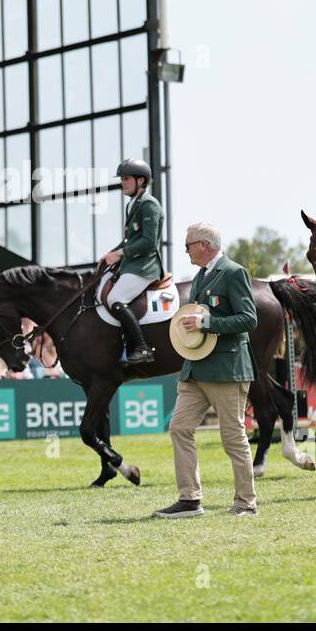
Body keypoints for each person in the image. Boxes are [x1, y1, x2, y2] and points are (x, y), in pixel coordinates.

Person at [155, 222, 259, 518]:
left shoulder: (234, 272)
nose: (185, 250)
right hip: (196, 368)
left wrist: (207, 324)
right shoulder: (200, 276)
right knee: (179, 427)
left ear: (203, 245)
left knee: (232, 437)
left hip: (228, 368)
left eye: (187, 245)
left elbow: (249, 319)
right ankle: (190, 499)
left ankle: (246, 502)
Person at [97, 158, 164, 365]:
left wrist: (120, 254)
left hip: (145, 267)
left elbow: (149, 242)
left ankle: (142, 348)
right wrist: (112, 252)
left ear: (141, 181)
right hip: (131, 265)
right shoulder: (132, 205)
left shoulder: (149, 205)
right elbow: (130, 239)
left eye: (126, 179)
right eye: (122, 179)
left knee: (115, 299)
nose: (123, 183)